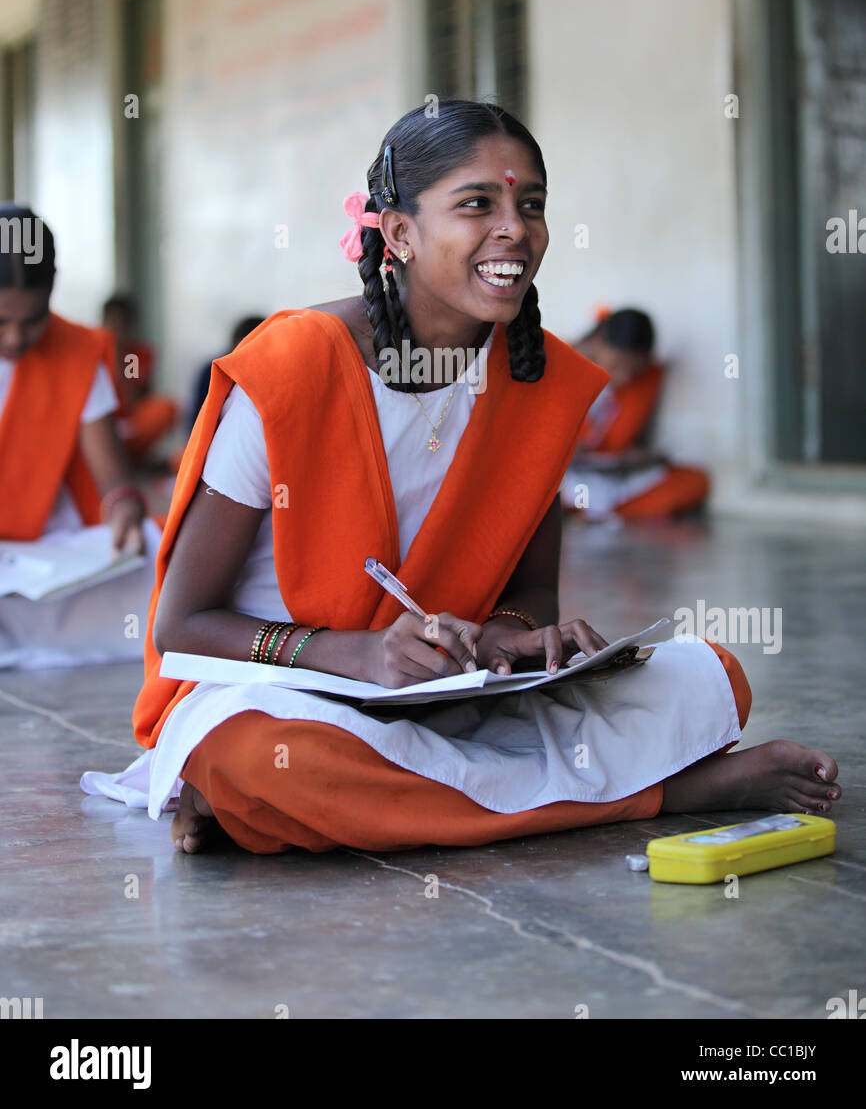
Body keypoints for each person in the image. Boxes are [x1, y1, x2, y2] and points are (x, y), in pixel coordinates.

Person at [80, 103, 840, 853]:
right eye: (477, 203)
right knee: (261, 763)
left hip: (448, 693)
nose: (515, 227)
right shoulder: (292, 369)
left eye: (530, 204)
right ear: (400, 232)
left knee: (711, 678)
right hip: (284, 694)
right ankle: (668, 795)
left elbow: (529, 593)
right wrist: (360, 656)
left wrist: (518, 641)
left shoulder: (540, 379)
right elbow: (181, 624)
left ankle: (315, 807)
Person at [0, 204, 160, 668]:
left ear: (51, 289)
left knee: (160, 560)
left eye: (31, 321)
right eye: (0, 321)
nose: (13, 338)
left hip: (52, 558)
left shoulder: (77, 351)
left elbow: (112, 476)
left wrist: (124, 507)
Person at [560, 308, 711, 520]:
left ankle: (583, 510)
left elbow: (619, 438)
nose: (624, 377)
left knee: (694, 482)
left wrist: (635, 456)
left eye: (634, 370)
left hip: (611, 476)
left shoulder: (646, 379)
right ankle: (578, 508)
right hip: (561, 474)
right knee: (538, 486)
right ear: (597, 342)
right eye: (617, 365)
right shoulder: (557, 363)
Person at [102, 292, 178, 464]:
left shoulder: (136, 355)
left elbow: (134, 401)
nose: (115, 329)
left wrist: (120, 356)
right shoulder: (94, 352)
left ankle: (131, 458)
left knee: (164, 408)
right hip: (102, 423)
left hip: (129, 425)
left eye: (121, 324)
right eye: (111, 322)